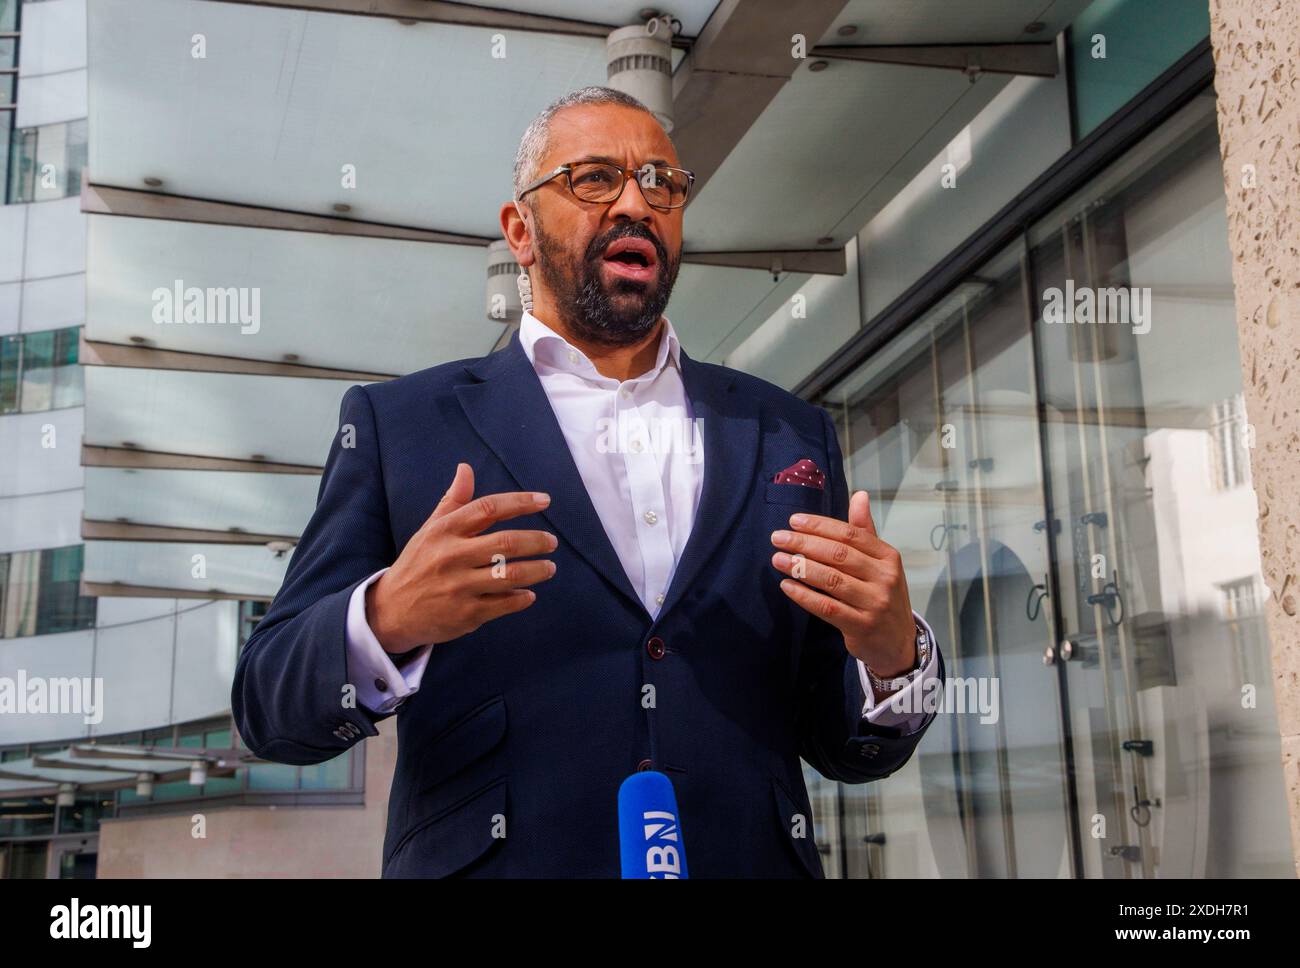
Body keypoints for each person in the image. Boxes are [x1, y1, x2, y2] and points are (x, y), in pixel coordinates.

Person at [231, 86, 944, 877]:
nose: (637, 202)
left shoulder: (785, 431)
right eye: (595, 179)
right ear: (520, 230)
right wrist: (389, 617)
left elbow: (840, 743)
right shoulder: (404, 424)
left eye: (662, 184)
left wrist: (891, 658)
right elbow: (269, 706)